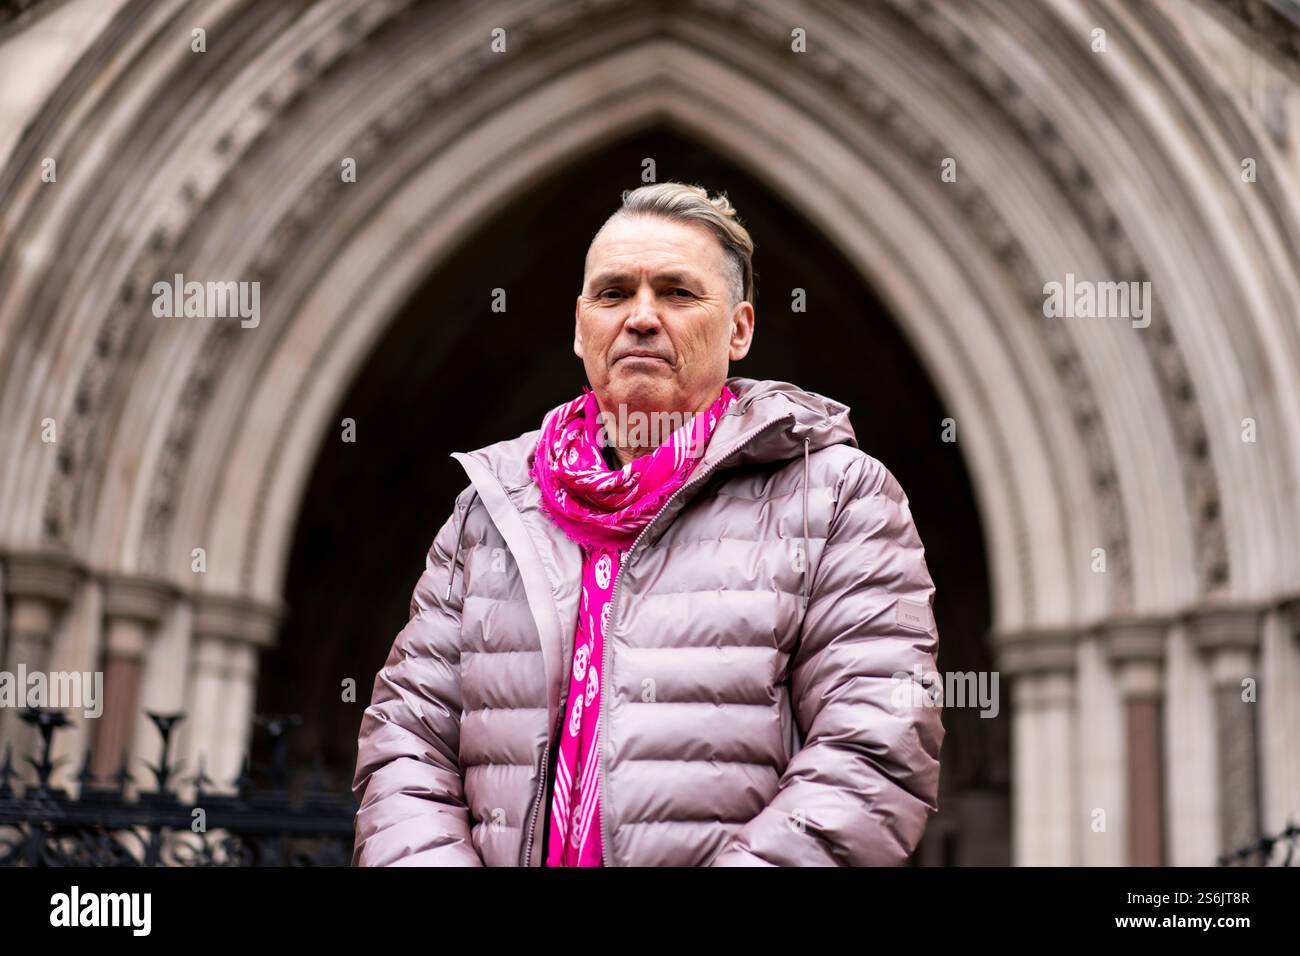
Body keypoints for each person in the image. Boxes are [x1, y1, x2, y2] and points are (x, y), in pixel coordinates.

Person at [352, 181, 944, 866]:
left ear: (741, 328)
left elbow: (873, 751)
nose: (640, 317)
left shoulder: (839, 498)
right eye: (612, 294)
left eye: (677, 292)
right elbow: (406, 743)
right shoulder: (489, 512)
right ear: (580, 328)